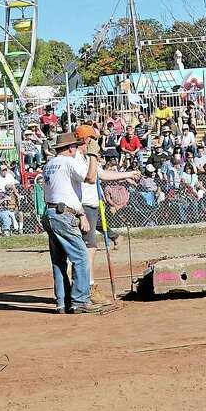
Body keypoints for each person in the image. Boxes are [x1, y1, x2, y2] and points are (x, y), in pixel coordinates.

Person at [73, 125, 140, 305]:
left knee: (90, 248)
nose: (96, 143)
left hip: (92, 206)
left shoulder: (88, 158)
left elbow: (102, 174)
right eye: (93, 139)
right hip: (84, 207)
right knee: (89, 248)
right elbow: (93, 178)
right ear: (86, 140)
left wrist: (126, 174)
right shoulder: (78, 159)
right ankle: (89, 288)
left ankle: (84, 288)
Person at [41, 132, 97, 314]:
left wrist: (80, 213)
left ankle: (62, 302)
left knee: (59, 261)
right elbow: (91, 178)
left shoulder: (50, 164)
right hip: (63, 215)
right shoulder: (69, 162)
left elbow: (63, 191)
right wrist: (94, 157)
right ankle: (80, 301)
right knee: (81, 257)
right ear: (71, 148)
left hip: (51, 212)